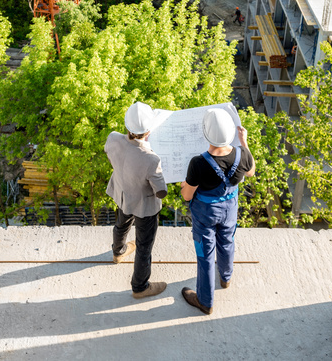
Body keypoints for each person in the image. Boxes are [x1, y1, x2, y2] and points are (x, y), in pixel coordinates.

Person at [180, 108, 255, 315]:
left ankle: (205, 301)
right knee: (227, 241)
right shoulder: (242, 155)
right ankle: (226, 277)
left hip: (206, 214)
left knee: (205, 253)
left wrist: (184, 185)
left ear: (206, 133)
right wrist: (244, 142)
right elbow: (250, 171)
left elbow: (187, 196)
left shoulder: (198, 163)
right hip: (229, 210)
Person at [104, 101, 168, 299]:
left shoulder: (113, 139)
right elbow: (161, 192)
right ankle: (140, 287)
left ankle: (118, 252)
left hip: (123, 193)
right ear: (148, 131)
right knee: (144, 245)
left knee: (121, 224)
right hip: (144, 206)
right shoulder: (151, 158)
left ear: (126, 125)